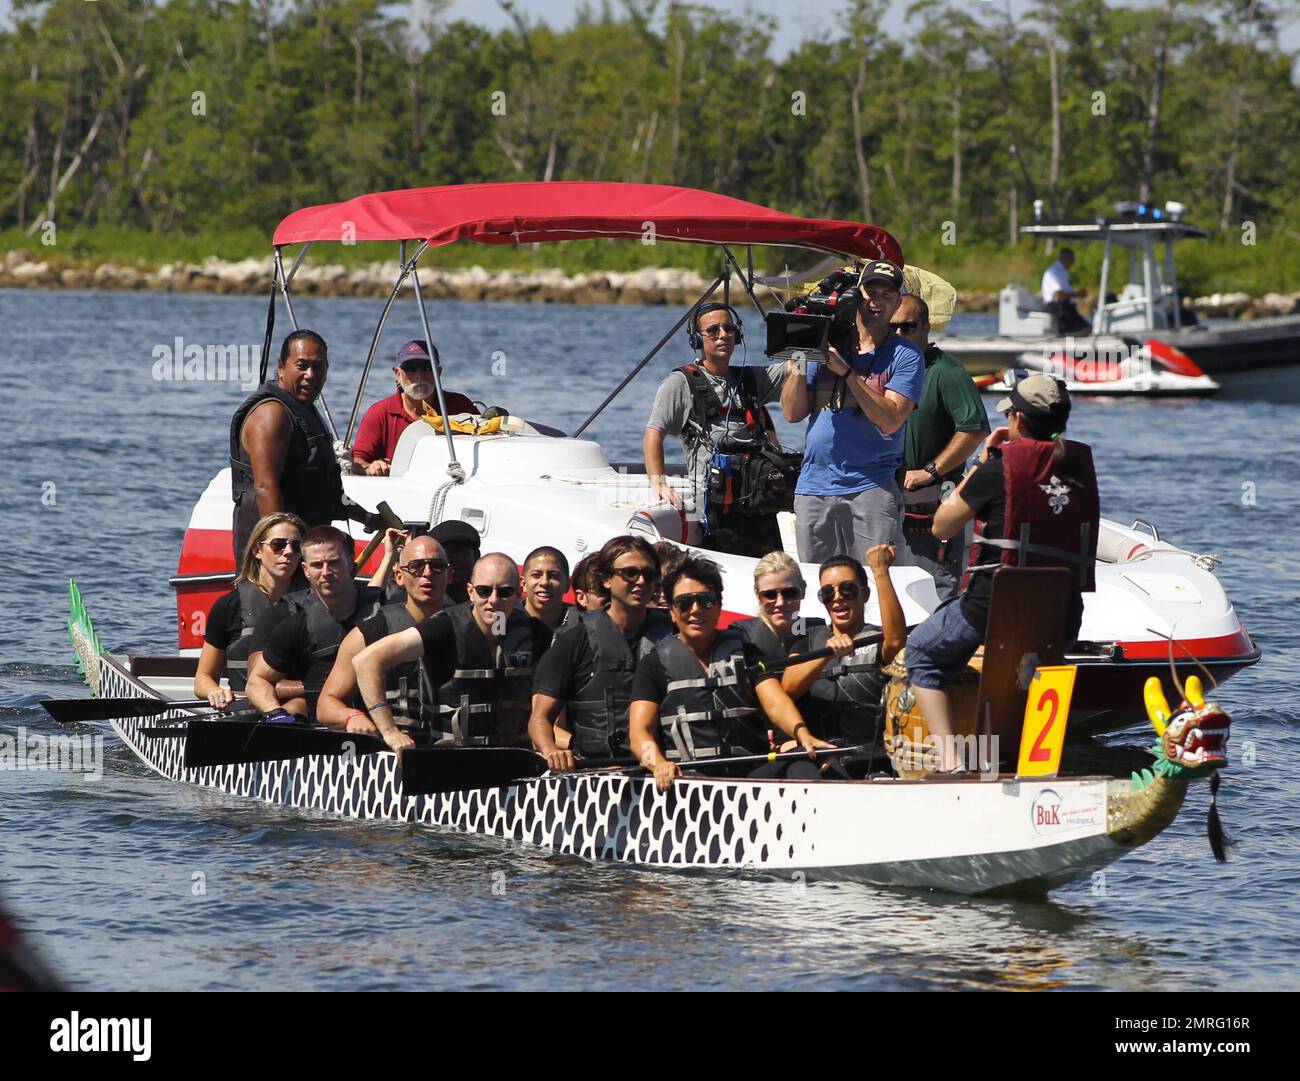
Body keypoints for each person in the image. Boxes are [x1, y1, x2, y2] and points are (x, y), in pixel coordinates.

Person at [905, 374, 1099, 771]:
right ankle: (1036, 756)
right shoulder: (1078, 469)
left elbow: (942, 525)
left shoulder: (999, 470)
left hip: (993, 607)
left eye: (1009, 413)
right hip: (1061, 614)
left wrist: (981, 464)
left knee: (921, 655)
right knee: (1032, 670)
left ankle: (951, 762)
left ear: (1018, 421)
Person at [626, 554, 831, 791]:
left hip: (750, 773)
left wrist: (802, 734)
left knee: (801, 763)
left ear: (719, 606)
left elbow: (775, 703)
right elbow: (640, 731)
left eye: (706, 601)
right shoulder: (653, 663)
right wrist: (659, 764)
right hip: (691, 779)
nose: (696, 610)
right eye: (684, 603)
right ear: (671, 611)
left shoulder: (746, 651)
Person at [781, 260, 924, 563]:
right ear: (858, 294)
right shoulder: (828, 344)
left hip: (870, 487)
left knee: (877, 583)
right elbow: (792, 413)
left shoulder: (907, 355)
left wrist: (846, 373)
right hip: (813, 486)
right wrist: (798, 357)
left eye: (887, 295)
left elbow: (890, 421)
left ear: (898, 302)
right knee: (818, 586)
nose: (877, 301)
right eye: (871, 292)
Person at [353, 553, 553, 753]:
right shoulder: (445, 628)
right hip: (452, 763)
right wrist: (389, 731)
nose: (494, 600)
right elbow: (366, 660)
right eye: (484, 591)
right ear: (470, 592)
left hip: (515, 761)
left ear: (519, 593)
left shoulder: (536, 634)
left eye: (505, 592)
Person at [643, 303, 787, 556]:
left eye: (729, 328)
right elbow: (654, 434)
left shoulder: (750, 380)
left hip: (756, 500)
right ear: (697, 338)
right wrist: (659, 483)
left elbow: (792, 370)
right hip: (715, 505)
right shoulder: (681, 382)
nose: (723, 335)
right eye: (713, 330)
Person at [229, 329, 381, 560]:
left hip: (305, 546)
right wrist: (282, 549)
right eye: (302, 365)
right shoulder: (272, 415)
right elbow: (265, 487)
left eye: (318, 367)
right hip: (278, 555)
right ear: (281, 367)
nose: (310, 374)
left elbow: (327, 489)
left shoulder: (303, 410)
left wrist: (368, 518)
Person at [530, 536, 672, 769]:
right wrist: (550, 750)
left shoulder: (673, 634)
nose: (641, 581)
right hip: (596, 777)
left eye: (649, 574)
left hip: (665, 774)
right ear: (606, 579)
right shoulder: (574, 641)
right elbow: (539, 718)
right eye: (630, 573)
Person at [893, 295, 990, 601]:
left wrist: (929, 471)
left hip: (935, 494)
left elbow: (974, 430)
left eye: (907, 327)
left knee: (935, 586)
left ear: (925, 327)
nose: (897, 335)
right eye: (891, 327)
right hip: (890, 492)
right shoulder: (887, 368)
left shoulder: (947, 372)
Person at [315, 533, 451, 734]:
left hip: (454, 750)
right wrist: (352, 717)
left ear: (450, 575)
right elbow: (326, 705)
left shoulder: (468, 625)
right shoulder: (369, 633)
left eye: (437, 566)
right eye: (416, 567)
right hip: (391, 753)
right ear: (399, 577)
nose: (427, 573)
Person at [244, 525, 381, 719]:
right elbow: (256, 681)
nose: (326, 572)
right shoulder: (293, 624)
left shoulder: (385, 610)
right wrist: (276, 713)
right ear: (305, 570)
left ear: (350, 563)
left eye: (334, 562)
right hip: (320, 728)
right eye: (317, 565)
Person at [781, 547, 906, 756]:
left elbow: (895, 642)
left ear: (865, 593)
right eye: (828, 592)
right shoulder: (806, 636)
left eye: (847, 589)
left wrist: (880, 572)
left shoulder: (878, 637)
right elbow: (788, 687)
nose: (837, 598)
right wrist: (826, 653)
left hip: (871, 756)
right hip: (821, 757)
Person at [194, 512, 305, 709]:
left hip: (301, 705)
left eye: (296, 546)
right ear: (257, 550)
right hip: (244, 708)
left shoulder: (312, 603)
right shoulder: (229, 606)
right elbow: (203, 677)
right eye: (278, 545)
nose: (288, 552)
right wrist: (214, 691)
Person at [352, 340, 476, 476]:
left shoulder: (460, 406)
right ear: (398, 374)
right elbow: (357, 462)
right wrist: (372, 467)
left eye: (427, 367)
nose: (419, 375)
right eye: (410, 367)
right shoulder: (379, 413)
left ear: (438, 372)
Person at [729, 551, 822, 665]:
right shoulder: (742, 636)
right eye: (769, 595)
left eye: (790, 593)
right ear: (758, 595)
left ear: (803, 590)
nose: (780, 603)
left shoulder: (819, 630)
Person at [522, 546, 575, 637]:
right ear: (523, 584)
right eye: (536, 575)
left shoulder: (582, 624)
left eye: (554, 576)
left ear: (567, 585)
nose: (544, 582)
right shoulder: (504, 617)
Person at [430, 519, 480, 605]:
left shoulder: (492, 600)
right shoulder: (421, 601)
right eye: (443, 552)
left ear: (476, 556)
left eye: (457, 551)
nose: (450, 559)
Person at [1041, 248, 1090, 334]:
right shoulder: (1053, 272)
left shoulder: (1062, 272)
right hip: (1057, 309)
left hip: (1065, 308)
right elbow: (1058, 295)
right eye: (1072, 259)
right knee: (1085, 329)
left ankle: (1074, 343)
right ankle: (1070, 344)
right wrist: (1077, 294)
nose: (1073, 262)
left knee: (1088, 327)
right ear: (1065, 258)